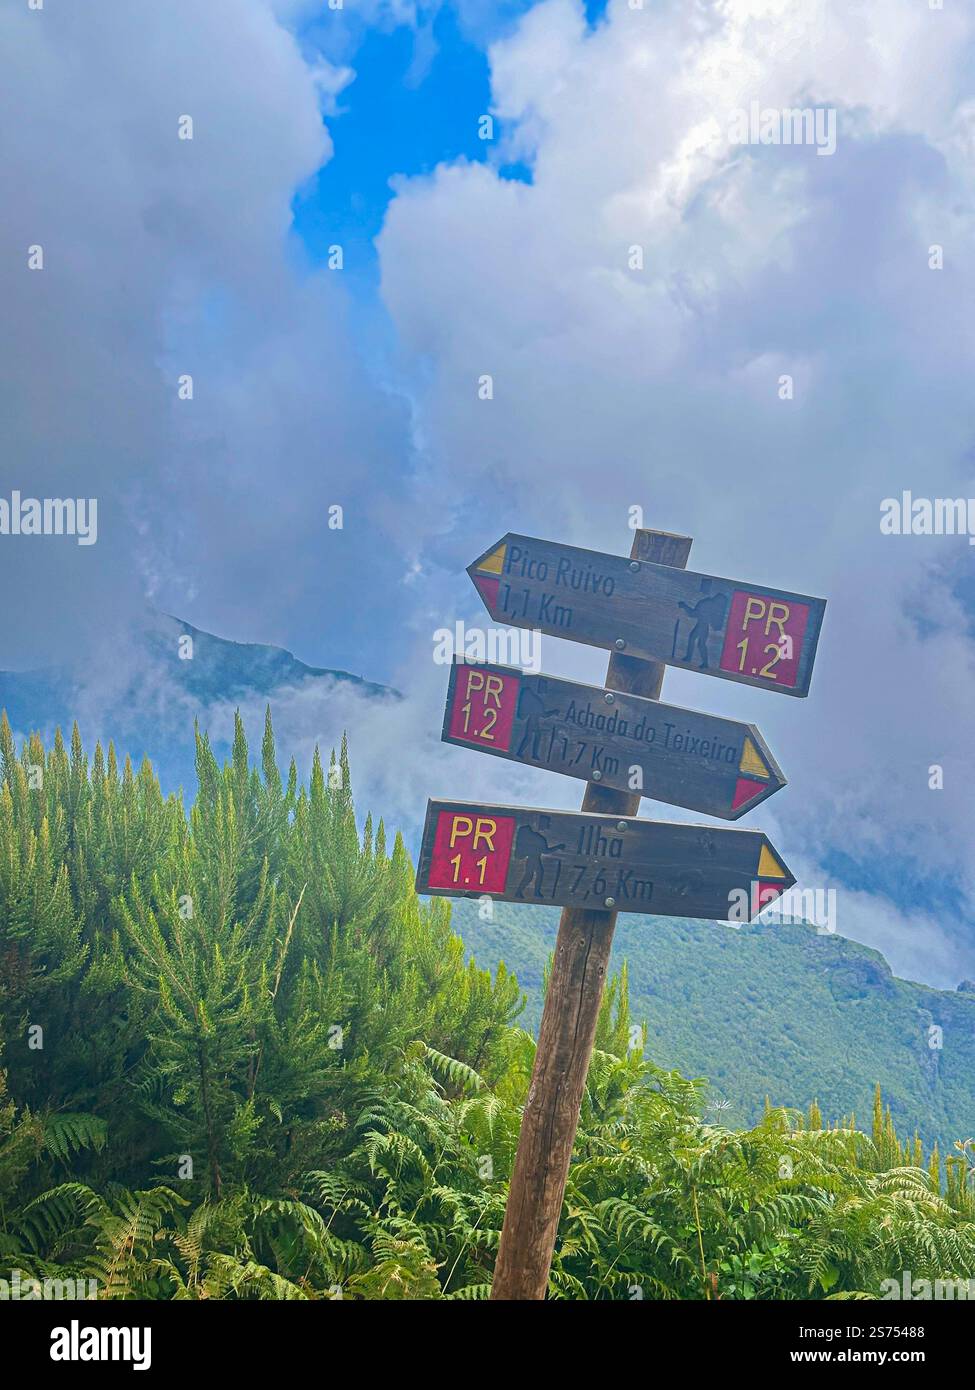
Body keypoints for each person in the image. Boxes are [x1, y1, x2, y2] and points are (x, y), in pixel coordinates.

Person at [677, 579, 728, 669]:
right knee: (695, 640)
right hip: (702, 625)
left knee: (700, 644)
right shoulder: (707, 603)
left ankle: (703, 662)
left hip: (702, 626)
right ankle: (693, 659)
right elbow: (694, 613)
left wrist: (684, 606)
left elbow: (693, 614)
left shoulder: (706, 603)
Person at [514, 816, 565, 898]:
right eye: (546, 824)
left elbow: (544, 850)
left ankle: (532, 892)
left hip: (535, 858)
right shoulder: (535, 836)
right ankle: (522, 892)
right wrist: (558, 847)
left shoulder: (538, 837)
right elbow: (545, 851)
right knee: (530, 875)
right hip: (532, 858)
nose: (547, 827)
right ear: (541, 823)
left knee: (536, 874)